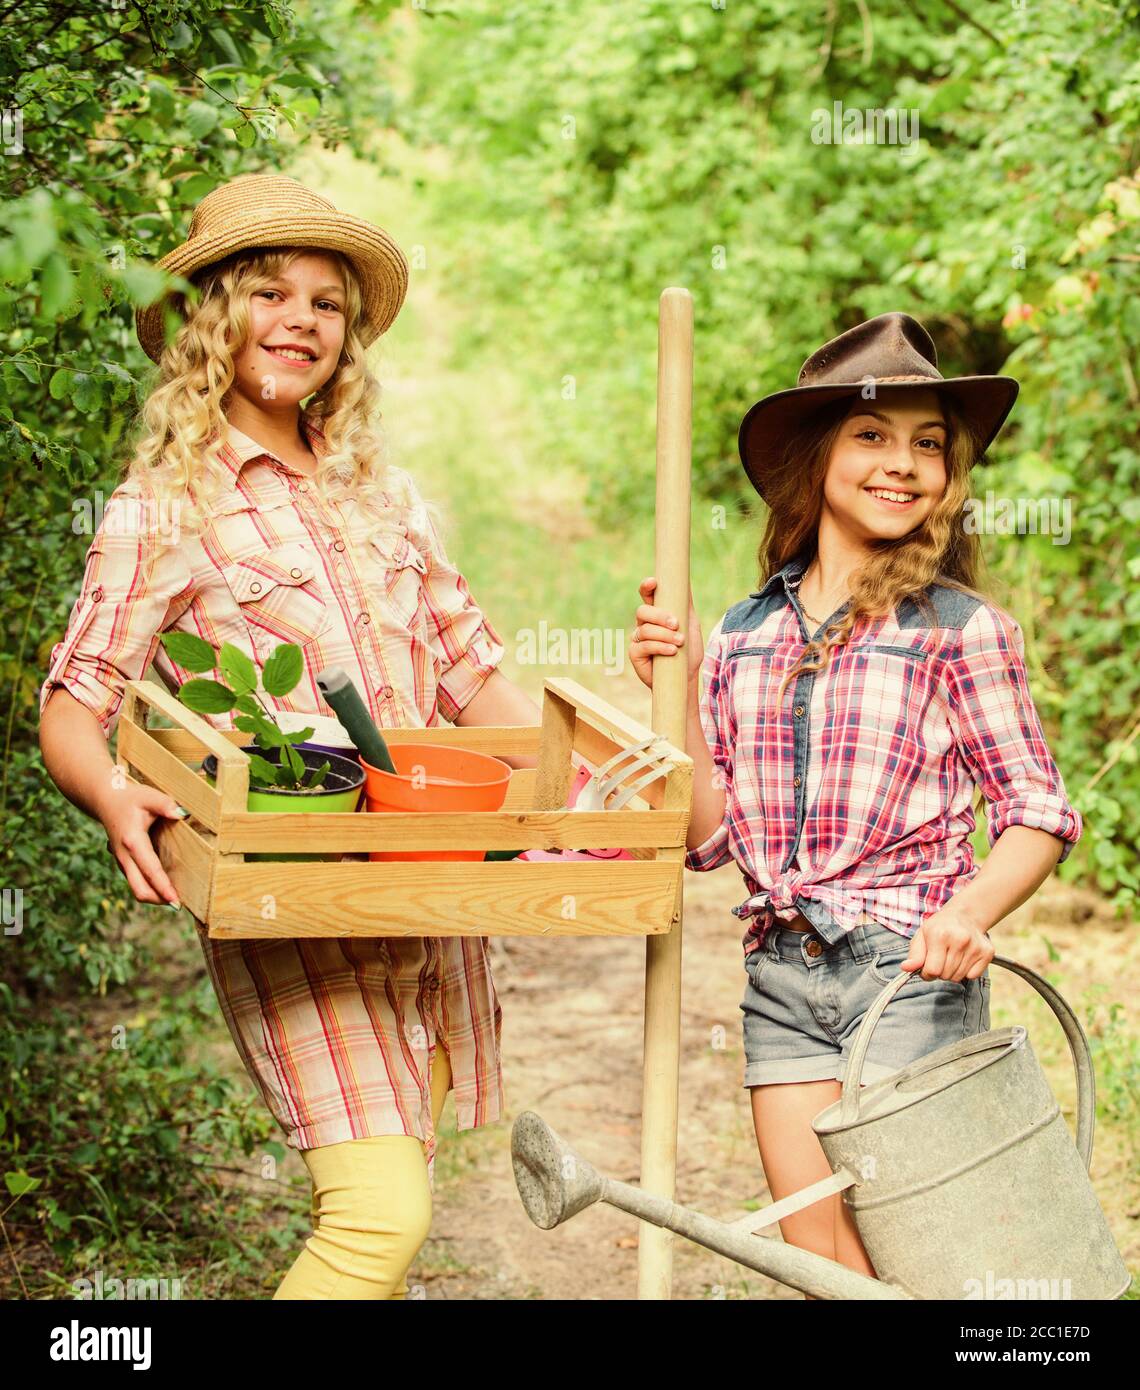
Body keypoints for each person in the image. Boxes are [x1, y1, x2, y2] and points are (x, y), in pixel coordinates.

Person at [38, 173, 543, 1299]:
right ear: (214, 315)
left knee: (394, 1206)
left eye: (326, 303)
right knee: (377, 1217)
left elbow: (475, 676)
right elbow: (74, 698)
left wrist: (588, 785)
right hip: (294, 893)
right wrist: (111, 792)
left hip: (428, 883)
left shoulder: (383, 496)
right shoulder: (166, 503)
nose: (301, 320)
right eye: (270, 292)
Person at [630, 312, 1082, 1291]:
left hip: (905, 974)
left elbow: (1038, 810)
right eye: (873, 435)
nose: (903, 463)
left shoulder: (958, 630)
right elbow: (709, 838)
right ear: (818, 455)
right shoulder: (743, 635)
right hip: (780, 976)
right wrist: (677, 687)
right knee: (819, 1265)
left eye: (929, 444)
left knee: (903, 1259)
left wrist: (969, 913)